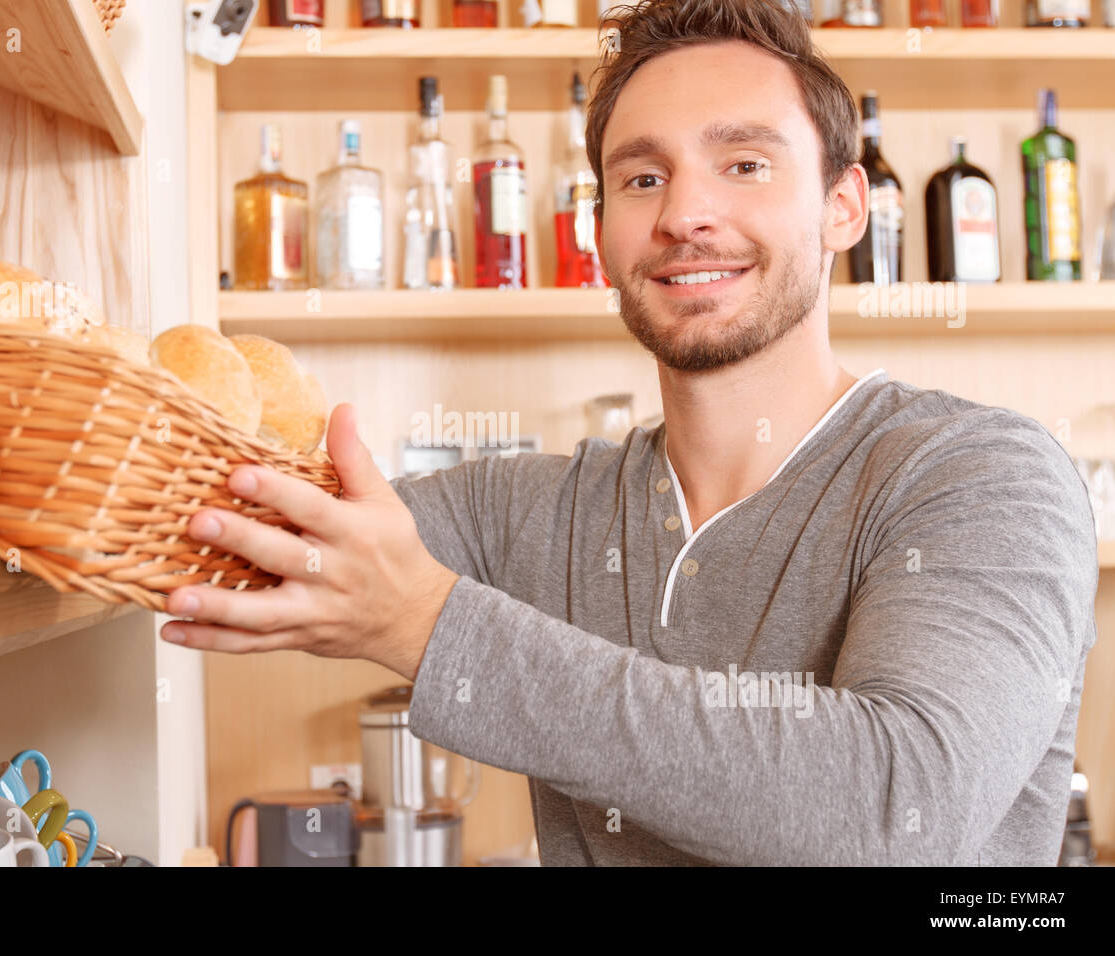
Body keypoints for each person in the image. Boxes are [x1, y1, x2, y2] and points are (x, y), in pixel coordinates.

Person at [160, 0, 1098, 865]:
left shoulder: (981, 475)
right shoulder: (522, 510)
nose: (686, 214)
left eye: (745, 164)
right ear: (600, 230)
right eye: (643, 177)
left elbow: (898, 807)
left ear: (843, 207)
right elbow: (235, 539)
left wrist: (428, 628)